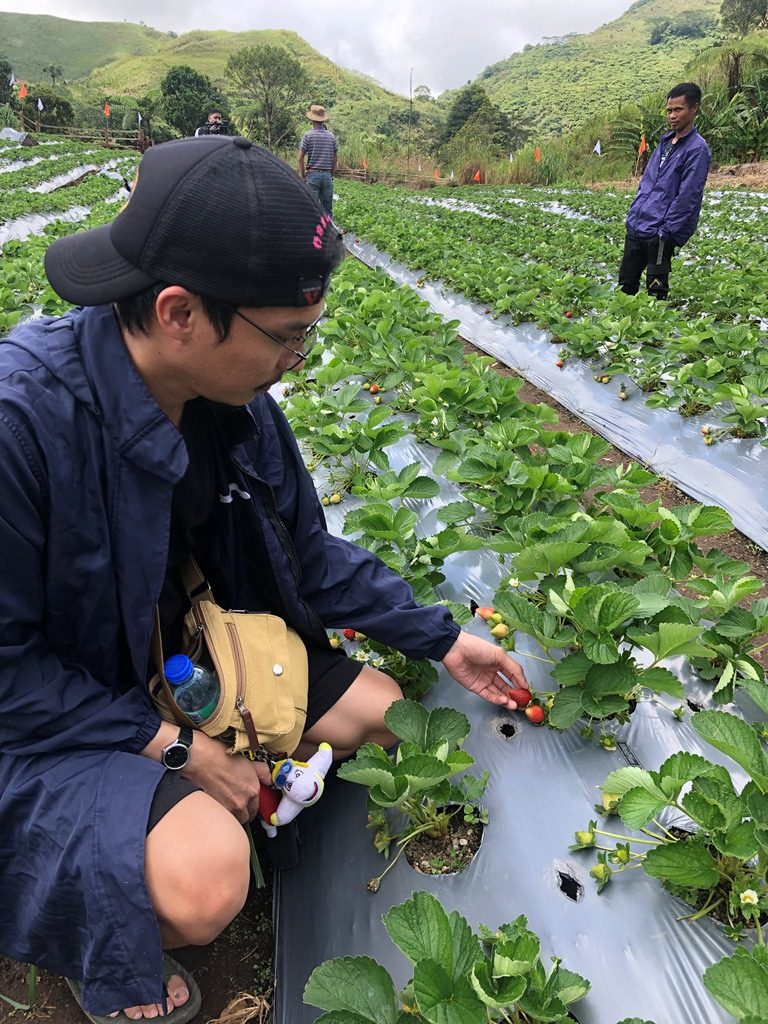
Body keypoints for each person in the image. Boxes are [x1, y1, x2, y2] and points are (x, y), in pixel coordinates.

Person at [0, 135, 529, 1023]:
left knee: (378, 712)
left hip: (174, 659)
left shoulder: (229, 402)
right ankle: (101, 939)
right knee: (209, 881)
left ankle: (188, 803)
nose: (296, 360)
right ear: (179, 312)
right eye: (286, 338)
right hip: (48, 715)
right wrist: (178, 749)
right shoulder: (23, 423)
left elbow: (308, 556)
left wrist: (441, 638)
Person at [618, 82, 711, 300]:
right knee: (625, 287)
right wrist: (634, 213)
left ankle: (653, 333)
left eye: (678, 110)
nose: (672, 115)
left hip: (660, 232)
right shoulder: (665, 142)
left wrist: (666, 231)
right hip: (638, 225)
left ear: (694, 109)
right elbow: (647, 182)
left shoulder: (697, 149)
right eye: (669, 110)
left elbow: (688, 196)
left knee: (655, 293)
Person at [299, 104, 338, 215]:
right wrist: (330, 175)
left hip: (312, 175)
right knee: (327, 211)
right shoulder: (331, 136)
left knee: (311, 211)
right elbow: (335, 161)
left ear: (312, 119)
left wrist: (303, 176)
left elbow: (300, 158)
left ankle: (312, 232)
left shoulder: (308, 135)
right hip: (327, 176)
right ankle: (328, 232)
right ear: (323, 120)